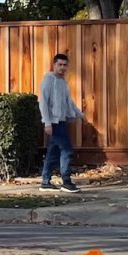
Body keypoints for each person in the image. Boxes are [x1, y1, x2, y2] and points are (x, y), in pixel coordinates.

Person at [38, 52, 83, 192]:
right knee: (67, 150)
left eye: (65, 65)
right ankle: (66, 181)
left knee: (53, 152)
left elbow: (68, 101)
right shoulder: (48, 80)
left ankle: (45, 181)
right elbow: (43, 103)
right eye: (60, 65)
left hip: (61, 121)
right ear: (54, 65)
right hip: (53, 123)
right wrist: (47, 122)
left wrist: (78, 113)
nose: (62, 68)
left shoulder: (63, 82)